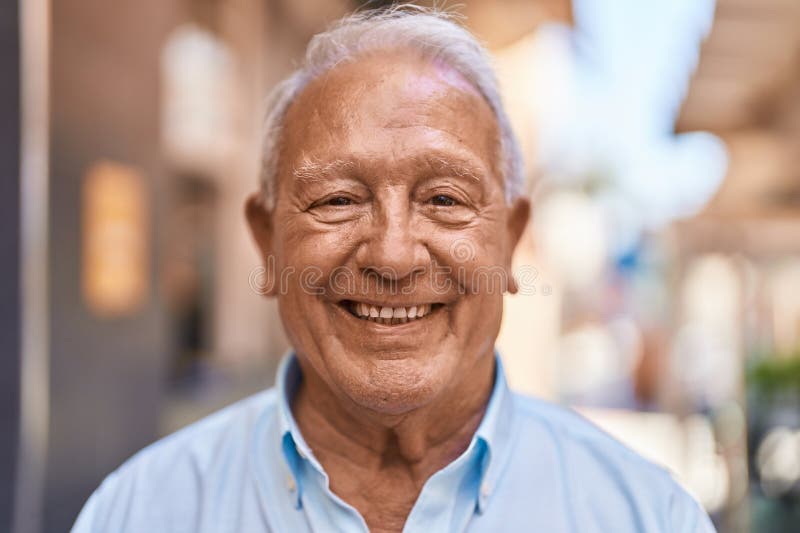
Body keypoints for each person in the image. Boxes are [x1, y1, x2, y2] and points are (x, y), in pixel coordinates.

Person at [73, 7, 716, 533]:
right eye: (337, 201)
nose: (392, 255)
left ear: (512, 241)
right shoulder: (139, 512)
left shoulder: (646, 516)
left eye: (444, 200)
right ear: (267, 243)